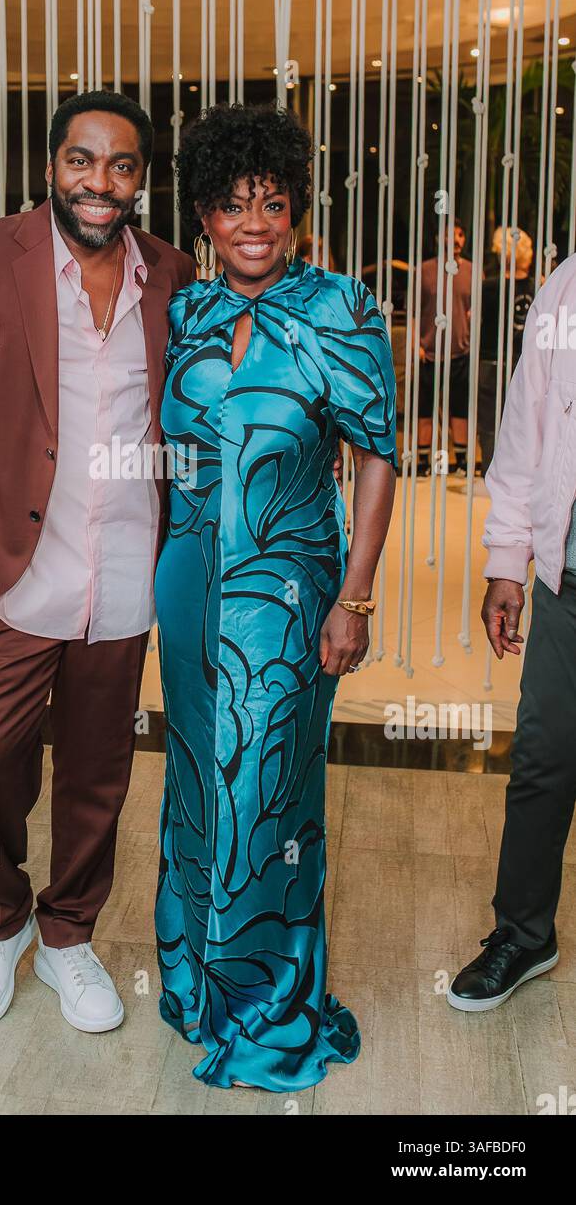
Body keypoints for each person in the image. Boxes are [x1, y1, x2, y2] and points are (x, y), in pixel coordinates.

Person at [0, 90, 194, 1034]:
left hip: (127, 576)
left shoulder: (172, 276)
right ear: (52, 168)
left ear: (142, 180)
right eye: (81, 161)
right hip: (8, 577)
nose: (100, 183)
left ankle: (68, 936)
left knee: (98, 772)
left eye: (122, 165)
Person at [154, 101, 398, 1091]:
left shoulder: (340, 308)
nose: (252, 223)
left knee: (267, 794)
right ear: (204, 216)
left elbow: (378, 456)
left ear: (295, 207)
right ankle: (198, 982)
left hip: (291, 594)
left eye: (271, 202)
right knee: (195, 783)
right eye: (229, 205)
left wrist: (358, 595)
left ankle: (268, 1008)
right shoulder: (187, 312)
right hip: (187, 583)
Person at [447, 250, 576, 1013]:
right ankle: (524, 934)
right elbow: (526, 435)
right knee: (542, 762)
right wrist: (508, 561)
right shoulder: (565, 284)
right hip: (570, 583)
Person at [476, 226, 535, 477]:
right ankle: (518, 473)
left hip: (491, 360)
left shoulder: (489, 287)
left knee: (490, 423)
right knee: (522, 419)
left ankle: (492, 472)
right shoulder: (539, 287)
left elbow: (476, 323)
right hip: (523, 363)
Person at [417, 218, 473, 475]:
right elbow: (414, 311)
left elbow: (476, 310)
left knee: (460, 409)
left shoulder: (473, 272)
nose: (458, 240)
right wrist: (416, 343)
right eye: (452, 235)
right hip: (428, 353)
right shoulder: (424, 270)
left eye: (461, 235)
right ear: (441, 239)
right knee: (425, 410)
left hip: (461, 353)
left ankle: (461, 462)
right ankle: (422, 463)